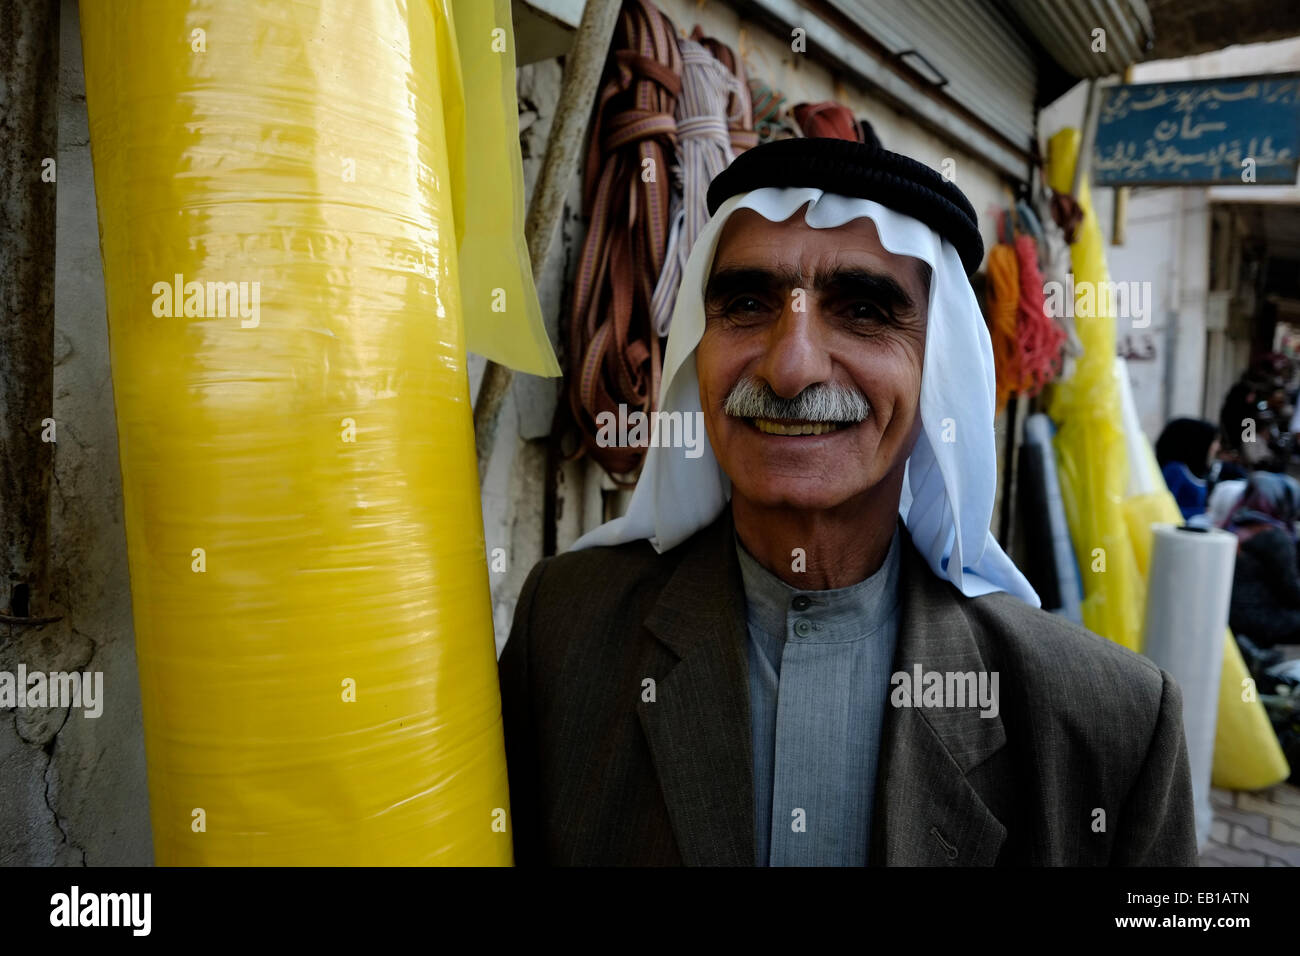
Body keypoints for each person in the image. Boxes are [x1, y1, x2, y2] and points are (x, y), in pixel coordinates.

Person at [498, 136, 1196, 866]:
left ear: (940, 367)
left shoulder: (1112, 724)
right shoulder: (565, 630)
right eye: (745, 303)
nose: (791, 367)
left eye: (863, 310)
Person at [1221, 471, 1300, 648]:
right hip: (1254, 618)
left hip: (1228, 612)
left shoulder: (1235, 524)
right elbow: (1290, 592)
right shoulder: (1274, 537)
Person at [1155, 418, 1218, 519]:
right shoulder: (1174, 470)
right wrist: (1202, 512)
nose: (1216, 447)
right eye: (1212, 442)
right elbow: (1164, 510)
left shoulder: (1200, 472)